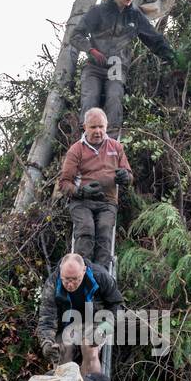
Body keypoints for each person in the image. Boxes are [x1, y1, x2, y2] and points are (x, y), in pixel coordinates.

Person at [71, 0, 175, 136]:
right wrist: (91, 50)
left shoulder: (135, 16)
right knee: (90, 97)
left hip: (117, 66)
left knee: (114, 97)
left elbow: (155, 39)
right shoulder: (98, 11)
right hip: (94, 67)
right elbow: (76, 36)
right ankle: (84, 141)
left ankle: (110, 142)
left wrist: (174, 58)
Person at [58, 107, 132, 265]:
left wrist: (125, 177)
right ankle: (82, 274)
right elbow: (64, 184)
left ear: (106, 126)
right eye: (93, 127)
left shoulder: (116, 147)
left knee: (105, 231)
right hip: (81, 202)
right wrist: (81, 192)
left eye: (101, 127)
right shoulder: (76, 150)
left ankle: (101, 275)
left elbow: (129, 175)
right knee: (86, 230)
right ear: (85, 127)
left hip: (107, 202)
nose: (98, 131)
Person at [37, 252, 124, 365]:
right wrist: (46, 342)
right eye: (66, 279)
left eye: (75, 279)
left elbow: (118, 308)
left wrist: (103, 328)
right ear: (60, 271)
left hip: (95, 324)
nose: (70, 285)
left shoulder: (100, 276)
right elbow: (47, 318)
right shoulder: (52, 283)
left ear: (84, 270)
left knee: (90, 350)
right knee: (62, 354)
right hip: (65, 328)